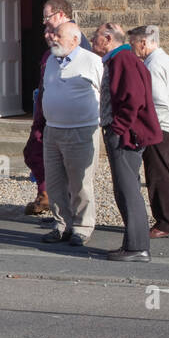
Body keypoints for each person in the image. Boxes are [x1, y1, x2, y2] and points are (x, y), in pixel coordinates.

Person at [94, 24, 162, 261]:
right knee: (125, 187)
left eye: (96, 36)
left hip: (124, 135)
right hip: (122, 132)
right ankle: (133, 244)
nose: (92, 40)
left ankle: (136, 247)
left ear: (108, 39)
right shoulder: (121, 59)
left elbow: (133, 97)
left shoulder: (123, 59)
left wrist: (118, 127)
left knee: (127, 189)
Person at [22, 0, 90, 216]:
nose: (45, 26)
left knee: (61, 164)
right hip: (46, 110)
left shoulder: (76, 42)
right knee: (34, 152)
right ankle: (49, 197)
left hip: (65, 118)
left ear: (60, 15)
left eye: (47, 17)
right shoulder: (53, 48)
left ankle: (65, 208)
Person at [40, 21, 102, 247]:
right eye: (53, 34)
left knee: (80, 182)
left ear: (75, 40)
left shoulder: (91, 61)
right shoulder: (51, 61)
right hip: (53, 130)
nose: (53, 38)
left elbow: (106, 93)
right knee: (54, 183)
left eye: (59, 35)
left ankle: (83, 226)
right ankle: (61, 224)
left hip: (81, 130)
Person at [129, 25, 169, 238]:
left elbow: (158, 101)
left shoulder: (152, 66)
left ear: (143, 43)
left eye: (133, 42)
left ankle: (165, 223)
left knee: (158, 175)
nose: (131, 47)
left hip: (162, 126)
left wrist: (148, 125)